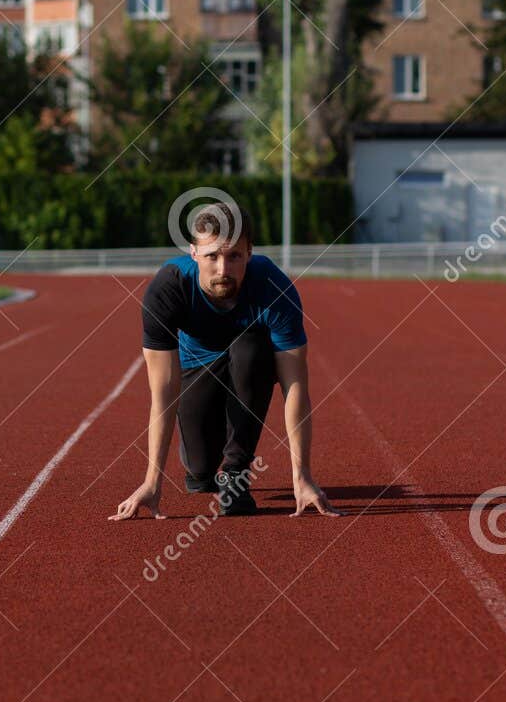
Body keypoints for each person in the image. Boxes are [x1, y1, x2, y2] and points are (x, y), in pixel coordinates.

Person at [109, 201, 342, 521]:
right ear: (193, 253)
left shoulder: (273, 287)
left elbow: (295, 385)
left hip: (249, 365)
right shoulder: (168, 289)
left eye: (234, 256)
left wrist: (302, 477)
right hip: (197, 368)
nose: (223, 269)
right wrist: (152, 483)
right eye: (212, 256)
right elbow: (163, 395)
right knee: (200, 474)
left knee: (252, 346)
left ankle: (235, 474)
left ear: (250, 252)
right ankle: (205, 465)